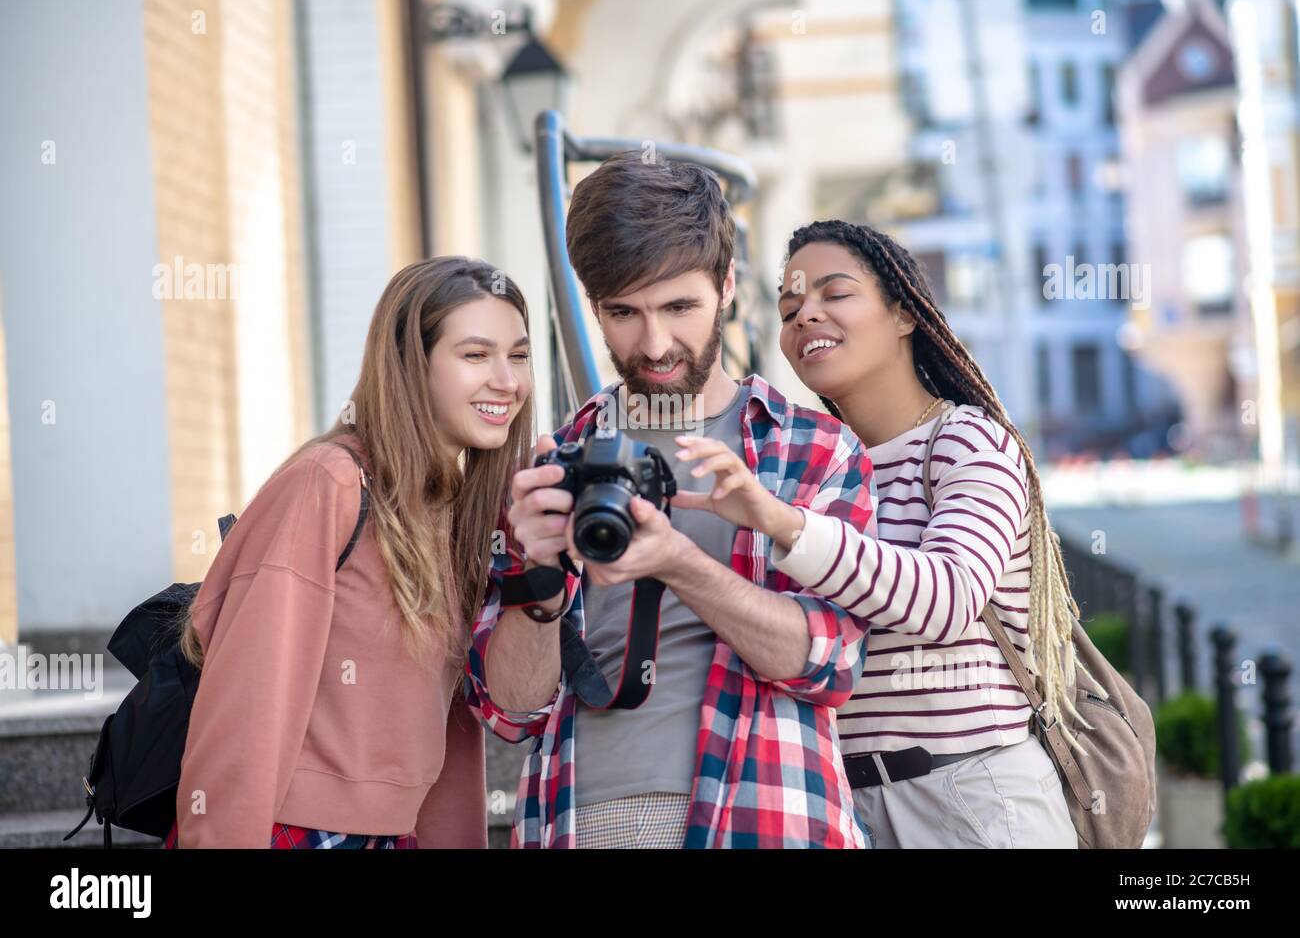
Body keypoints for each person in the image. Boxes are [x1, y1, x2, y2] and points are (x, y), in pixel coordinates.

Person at [464, 153, 878, 849]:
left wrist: (678, 561)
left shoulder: (815, 451)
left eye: (679, 307)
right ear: (593, 305)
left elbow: (828, 662)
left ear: (727, 285)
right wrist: (535, 584)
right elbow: (509, 712)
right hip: (579, 822)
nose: (654, 345)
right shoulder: (550, 462)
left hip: (768, 816)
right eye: (623, 313)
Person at [673, 220, 1081, 848]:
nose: (805, 315)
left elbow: (947, 600)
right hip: (838, 804)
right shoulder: (805, 467)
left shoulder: (966, 442)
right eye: (789, 306)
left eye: (834, 295)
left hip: (970, 800)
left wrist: (783, 523)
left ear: (903, 314)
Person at [168, 257, 534, 848]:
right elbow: (246, 704)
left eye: (517, 355)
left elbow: (447, 734)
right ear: (412, 366)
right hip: (298, 832)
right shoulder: (331, 482)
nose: (507, 380)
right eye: (474, 355)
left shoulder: (458, 509)